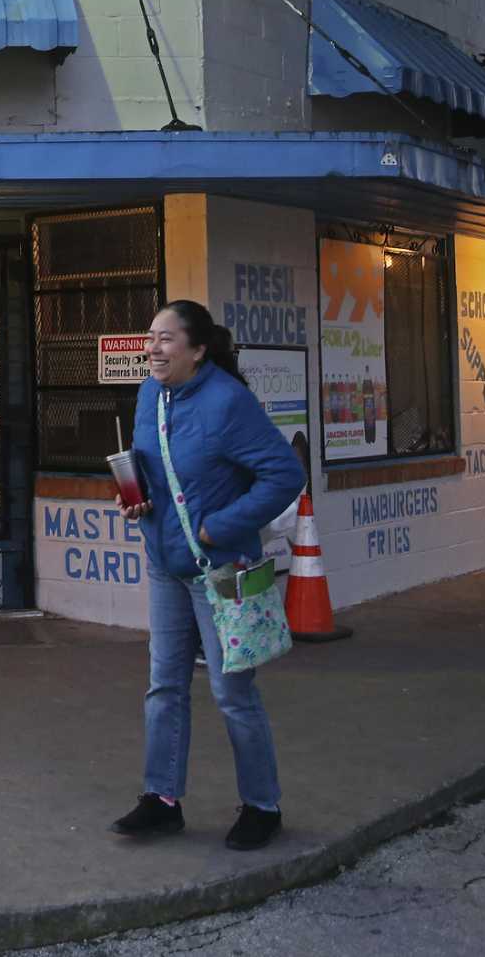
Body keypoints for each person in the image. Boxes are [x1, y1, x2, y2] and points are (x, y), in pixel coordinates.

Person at [111, 299, 305, 851]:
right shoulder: (151, 393)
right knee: (164, 685)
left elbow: (284, 474)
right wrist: (135, 498)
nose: (152, 347)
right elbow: (154, 464)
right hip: (165, 562)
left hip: (218, 567)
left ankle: (262, 806)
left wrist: (219, 528)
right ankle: (161, 799)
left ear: (197, 351)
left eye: (166, 339)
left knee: (231, 693)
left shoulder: (228, 402)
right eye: (150, 336)